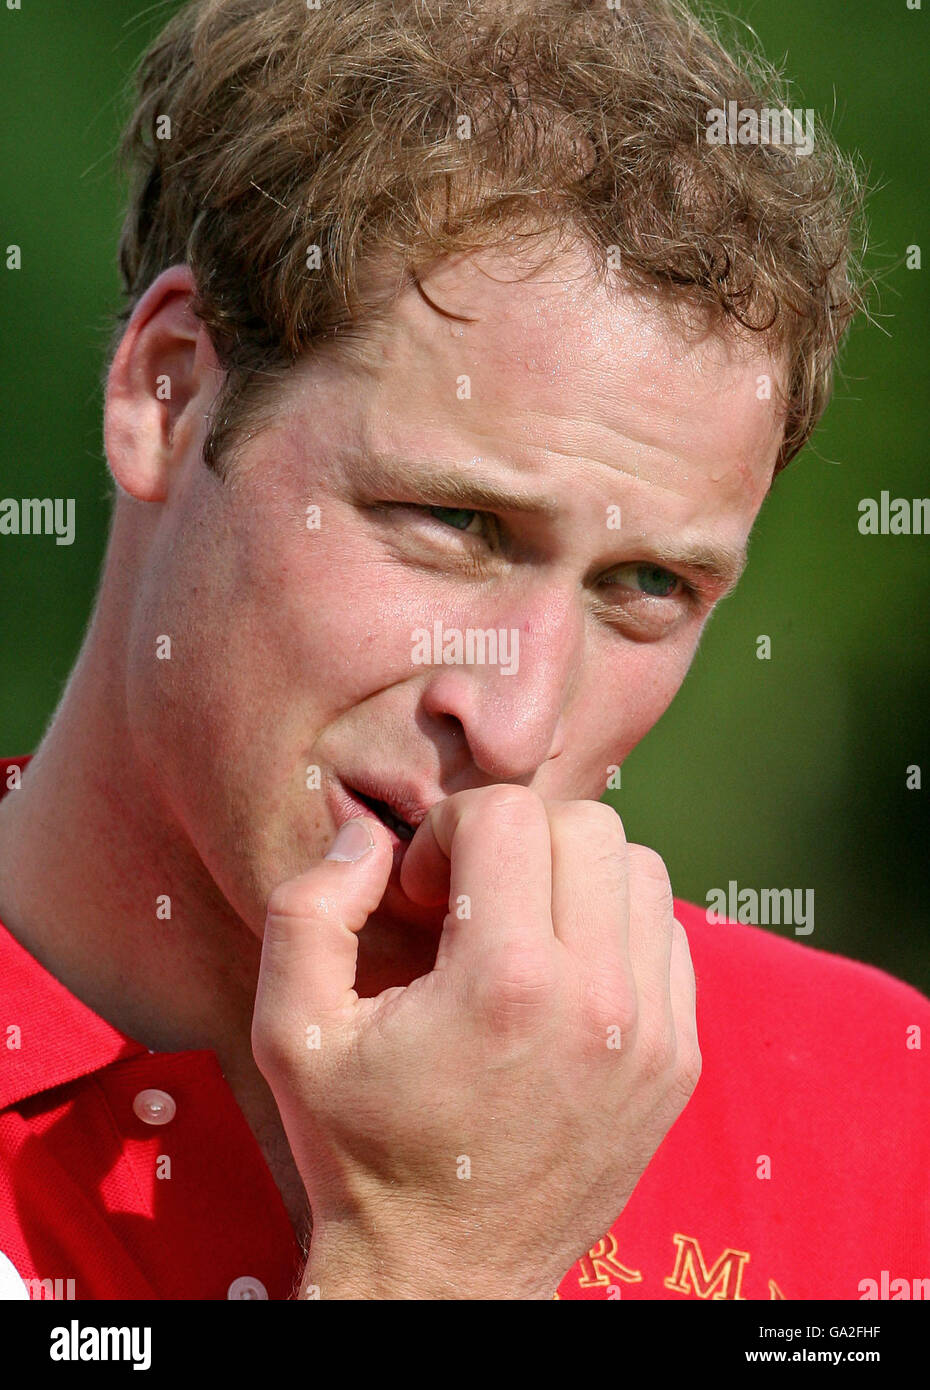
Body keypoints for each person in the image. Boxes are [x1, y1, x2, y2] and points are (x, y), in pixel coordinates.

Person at [0, 0, 926, 1302]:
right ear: (168, 393)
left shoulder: (878, 1109)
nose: (516, 717)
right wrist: (436, 1268)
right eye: (455, 523)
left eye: (646, 585)